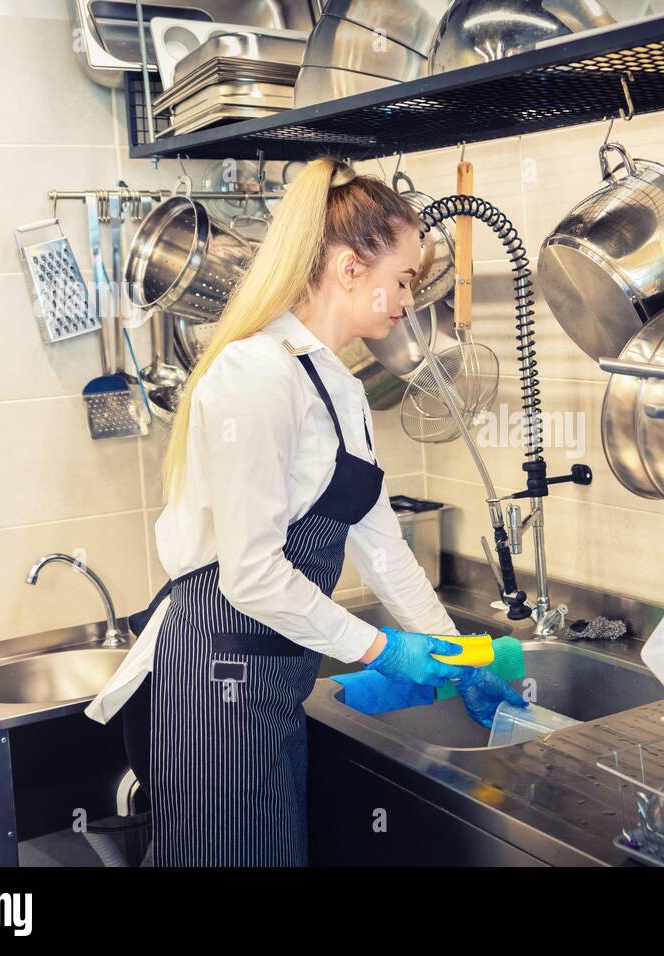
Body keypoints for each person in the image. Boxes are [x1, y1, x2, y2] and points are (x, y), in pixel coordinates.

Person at [85, 157, 524, 866]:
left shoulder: (340, 387)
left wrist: (455, 654)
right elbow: (251, 576)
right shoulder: (253, 374)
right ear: (350, 268)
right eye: (404, 278)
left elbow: (383, 550)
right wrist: (383, 649)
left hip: (272, 680)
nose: (409, 300)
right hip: (214, 685)